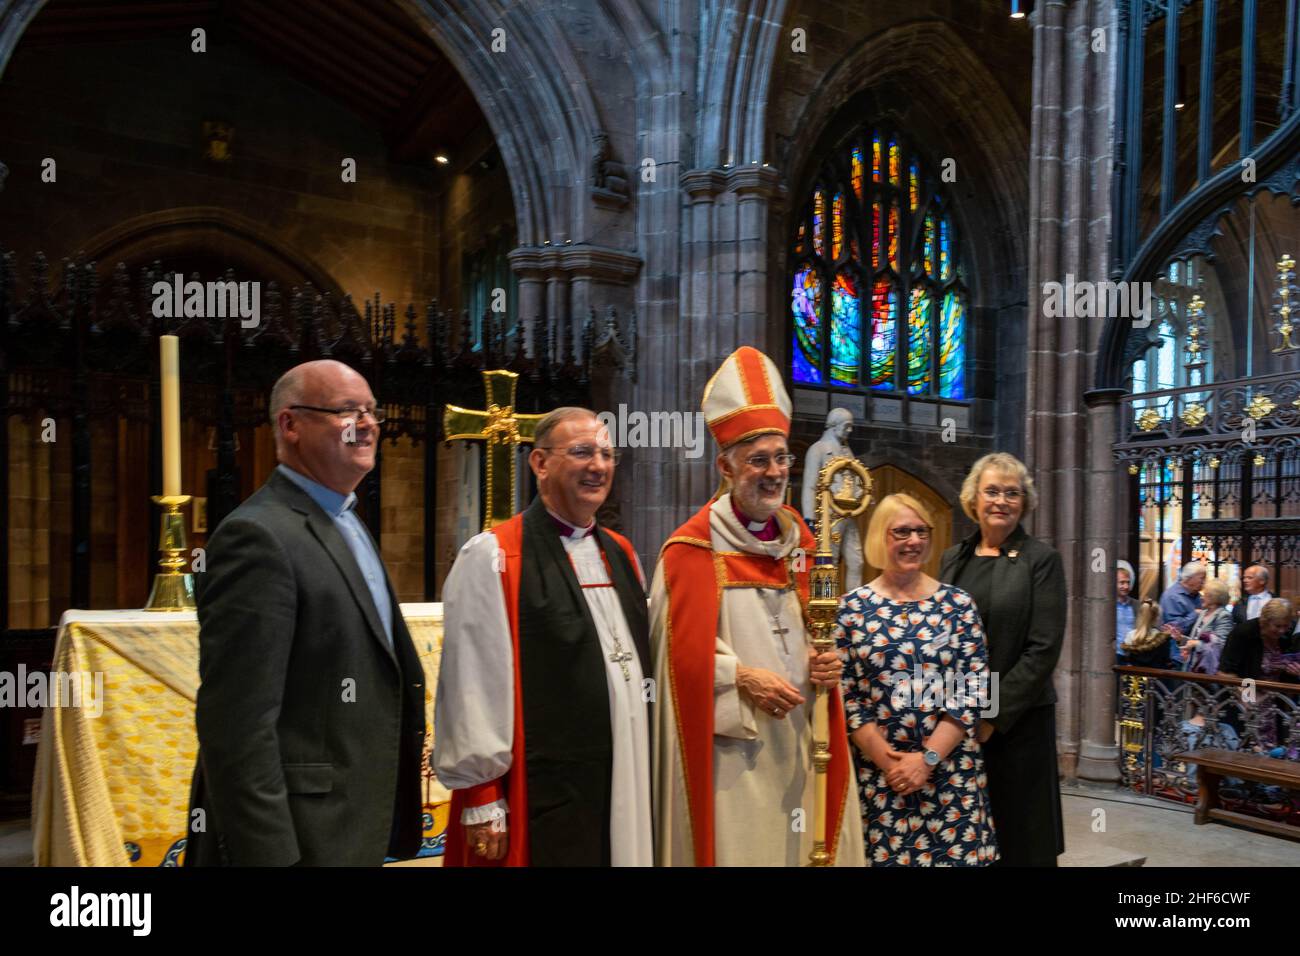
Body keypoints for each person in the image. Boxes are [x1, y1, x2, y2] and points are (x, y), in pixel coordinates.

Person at [186, 360, 426, 866]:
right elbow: (237, 726)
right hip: (300, 836)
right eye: (345, 411)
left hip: (347, 824)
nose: (366, 424)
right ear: (290, 425)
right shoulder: (258, 536)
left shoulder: (345, 520)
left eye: (371, 411)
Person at [650, 346, 863, 866]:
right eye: (758, 460)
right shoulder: (690, 552)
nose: (774, 472)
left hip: (802, 745)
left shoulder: (805, 546)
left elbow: (824, 637)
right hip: (732, 758)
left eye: (782, 457)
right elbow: (671, 668)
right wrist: (742, 676)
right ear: (725, 466)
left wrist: (829, 664)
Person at [434, 407, 652, 866]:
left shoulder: (622, 553)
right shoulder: (495, 555)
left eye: (607, 454)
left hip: (626, 773)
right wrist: (482, 792)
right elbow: (472, 681)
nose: (598, 465)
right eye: (581, 452)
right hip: (543, 787)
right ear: (539, 464)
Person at [836, 493, 997, 866]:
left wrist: (925, 760)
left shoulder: (958, 605)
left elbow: (974, 692)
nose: (914, 541)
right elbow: (848, 698)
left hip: (949, 775)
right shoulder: (851, 608)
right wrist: (890, 764)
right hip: (882, 778)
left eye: (921, 531)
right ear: (880, 537)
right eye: (902, 532)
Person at [939, 452, 1066, 867]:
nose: (1001, 501)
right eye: (992, 491)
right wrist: (957, 714)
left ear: (1024, 502)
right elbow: (947, 641)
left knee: (1020, 837)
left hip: (1018, 721)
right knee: (964, 829)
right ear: (974, 498)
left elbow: (1042, 648)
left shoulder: (1040, 560)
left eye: (1012, 493)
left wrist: (991, 715)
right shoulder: (953, 557)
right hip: (960, 720)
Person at [802, 407, 865, 591]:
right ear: (834, 425)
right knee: (829, 561)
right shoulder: (818, 449)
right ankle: (828, 605)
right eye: (847, 426)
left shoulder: (847, 451)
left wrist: (862, 493)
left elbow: (856, 476)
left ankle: (854, 605)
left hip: (848, 513)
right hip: (828, 515)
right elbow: (809, 486)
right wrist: (809, 519)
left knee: (857, 561)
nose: (850, 431)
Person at [1218, 599, 1300, 683]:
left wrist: (1296, 672)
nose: (1282, 631)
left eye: (1285, 626)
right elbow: (1225, 673)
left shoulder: (1289, 634)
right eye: (1277, 626)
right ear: (1264, 622)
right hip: (1245, 692)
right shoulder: (1244, 633)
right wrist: (1250, 695)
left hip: (1279, 693)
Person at [1159, 561, 1206, 667]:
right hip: (1177, 656)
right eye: (1201, 578)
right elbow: (1173, 628)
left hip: (1194, 656)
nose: (1204, 582)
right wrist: (1195, 614)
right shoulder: (1171, 596)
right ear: (1189, 578)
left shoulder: (1197, 595)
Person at [1182, 579, 1233, 674]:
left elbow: (1221, 646)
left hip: (1208, 671)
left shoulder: (1223, 615)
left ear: (1215, 598)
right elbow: (1194, 639)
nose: (1201, 597)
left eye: (1205, 595)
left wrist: (1196, 644)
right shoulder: (1203, 613)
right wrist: (1180, 638)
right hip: (1192, 668)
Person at [1115, 560, 1138, 664]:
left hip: (1133, 655)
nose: (1126, 587)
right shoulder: (1109, 607)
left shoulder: (1136, 605)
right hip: (1115, 655)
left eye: (1128, 582)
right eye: (1122, 583)